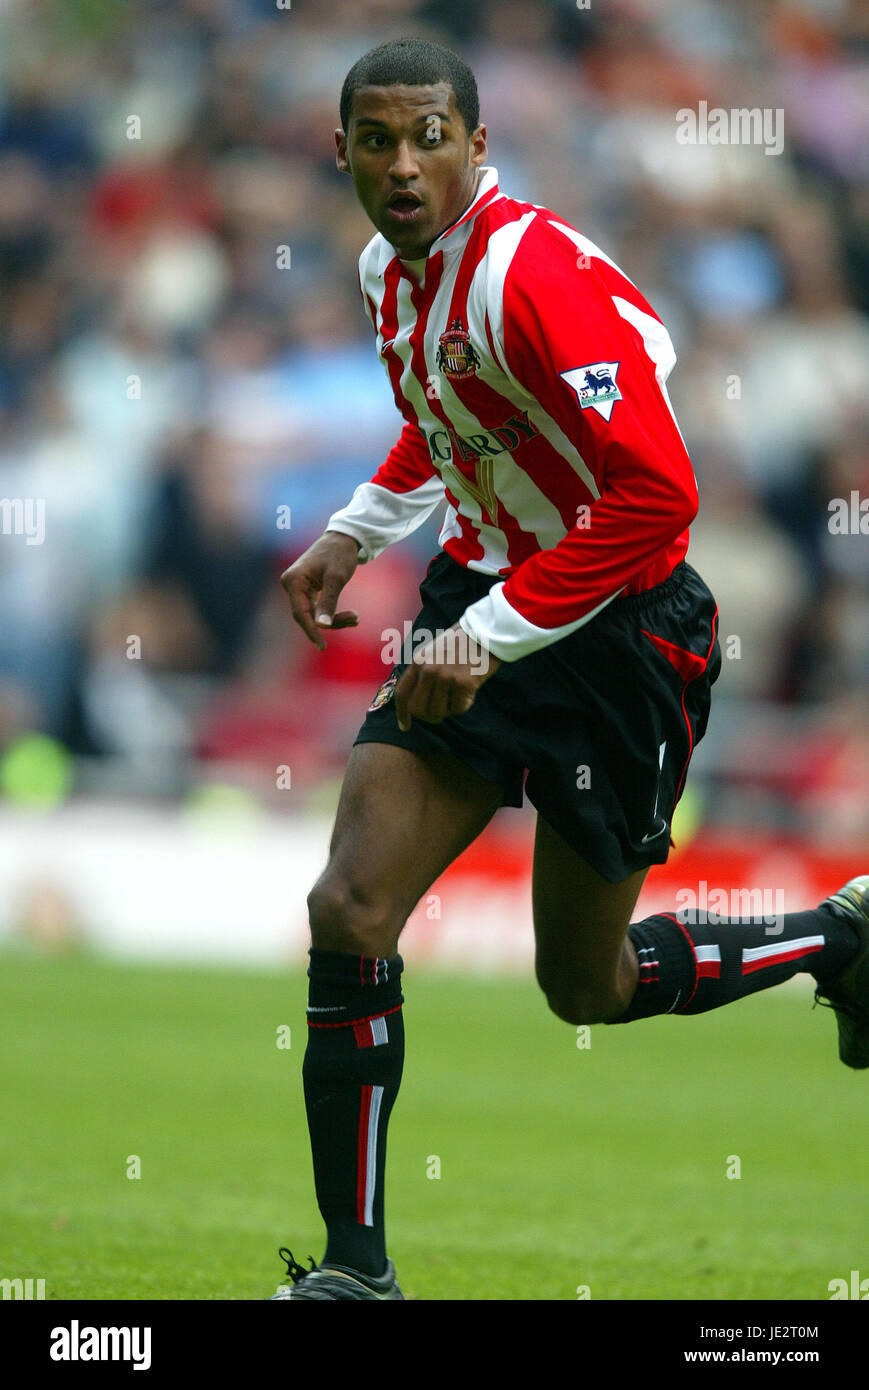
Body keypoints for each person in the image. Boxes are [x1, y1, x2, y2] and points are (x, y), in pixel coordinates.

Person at [271, 37, 868, 1301]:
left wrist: (485, 636)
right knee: (348, 908)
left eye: (428, 137)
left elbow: (657, 497)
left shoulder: (528, 274)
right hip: (479, 601)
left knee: (583, 986)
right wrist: (354, 532)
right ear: (341, 152)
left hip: (618, 636)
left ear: (476, 146)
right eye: (375, 140)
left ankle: (837, 939)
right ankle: (355, 1272)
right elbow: (451, 419)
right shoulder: (390, 271)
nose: (401, 164)